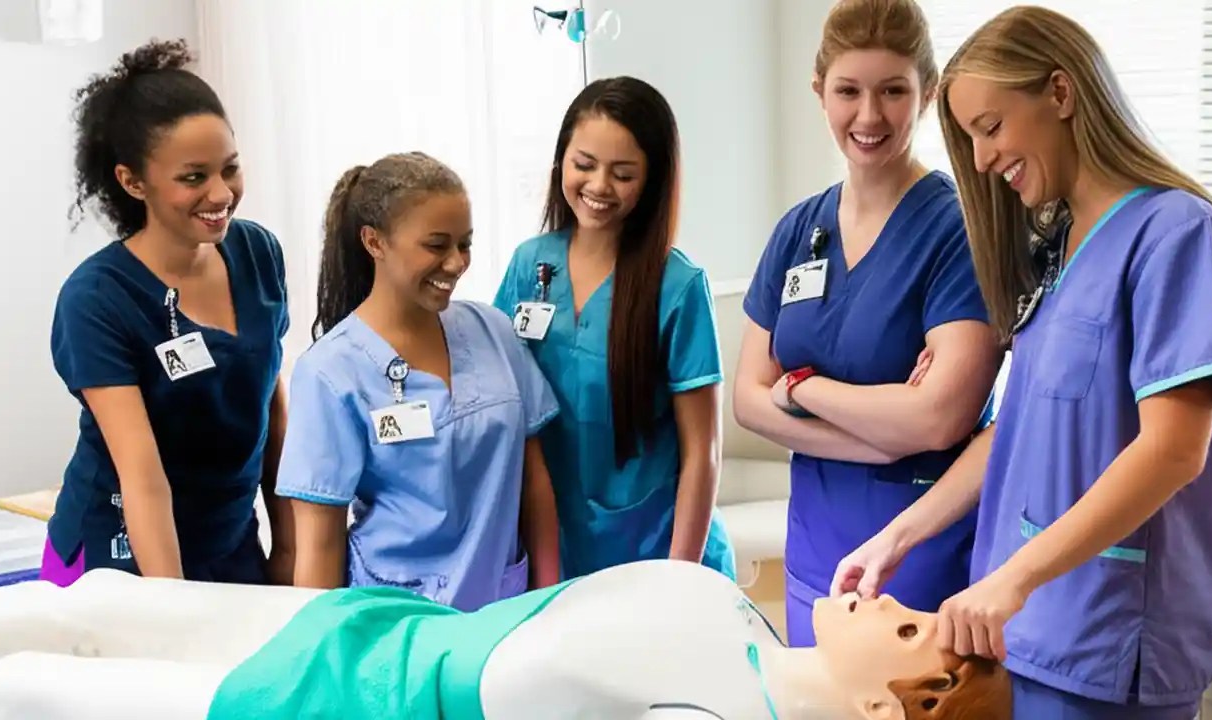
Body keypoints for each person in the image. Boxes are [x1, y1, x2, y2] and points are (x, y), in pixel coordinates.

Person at [831, 6, 1212, 719]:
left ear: (1060, 94)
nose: (985, 159)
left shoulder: (1175, 234)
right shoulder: (1058, 255)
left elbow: (1175, 450)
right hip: (1020, 638)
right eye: (970, 139)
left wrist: (1016, 579)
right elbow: (1018, 435)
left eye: (991, 128)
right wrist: (901, 533)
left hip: (1103, 642)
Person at [733, 0, 1001, 646]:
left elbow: (940, 419)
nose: (870, 116)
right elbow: (745, 399)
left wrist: (801, 390)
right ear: (820, 91)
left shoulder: (960, 231)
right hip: (815, 552)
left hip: (920, 560)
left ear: (928, 93)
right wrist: (882, 435)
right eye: (849, 90)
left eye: (893, 91)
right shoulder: (800, 230)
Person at [0, 560, 1012, 719]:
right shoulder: (725, 601)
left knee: (41, 686)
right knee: (97, 601)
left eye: (910, 629)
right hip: (368, 622)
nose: (888, 602)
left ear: (889, 708)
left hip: (352, 703)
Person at [44, 38, 294, 587]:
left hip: (228, 542)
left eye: (230, 168)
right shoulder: (97, 298)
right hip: (122, 555)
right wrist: (170, 610)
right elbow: (142, 475)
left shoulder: (258, 253)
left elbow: (272, 411)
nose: (220, 192)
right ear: (133, 182)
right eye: (193, 177)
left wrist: (290, 551)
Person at [275, 152, 562, 612]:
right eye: (436, 245)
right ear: (374, 242)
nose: (455, 263)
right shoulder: (330, 371)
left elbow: (534, 482)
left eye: (464, 244)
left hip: (503, 611)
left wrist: (548, 601)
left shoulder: (494, 332)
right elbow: (319, 546)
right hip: (393, 621)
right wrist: (325, 656)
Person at [493, 77, 735, 581]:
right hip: (555, 541)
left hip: (656, 544)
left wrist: (680, 577)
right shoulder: (529, 266)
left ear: (652, 180)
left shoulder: (678, 286)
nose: (599, 186)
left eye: (622, 173)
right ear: (561, 161)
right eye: (584, 165)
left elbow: (702, 453)